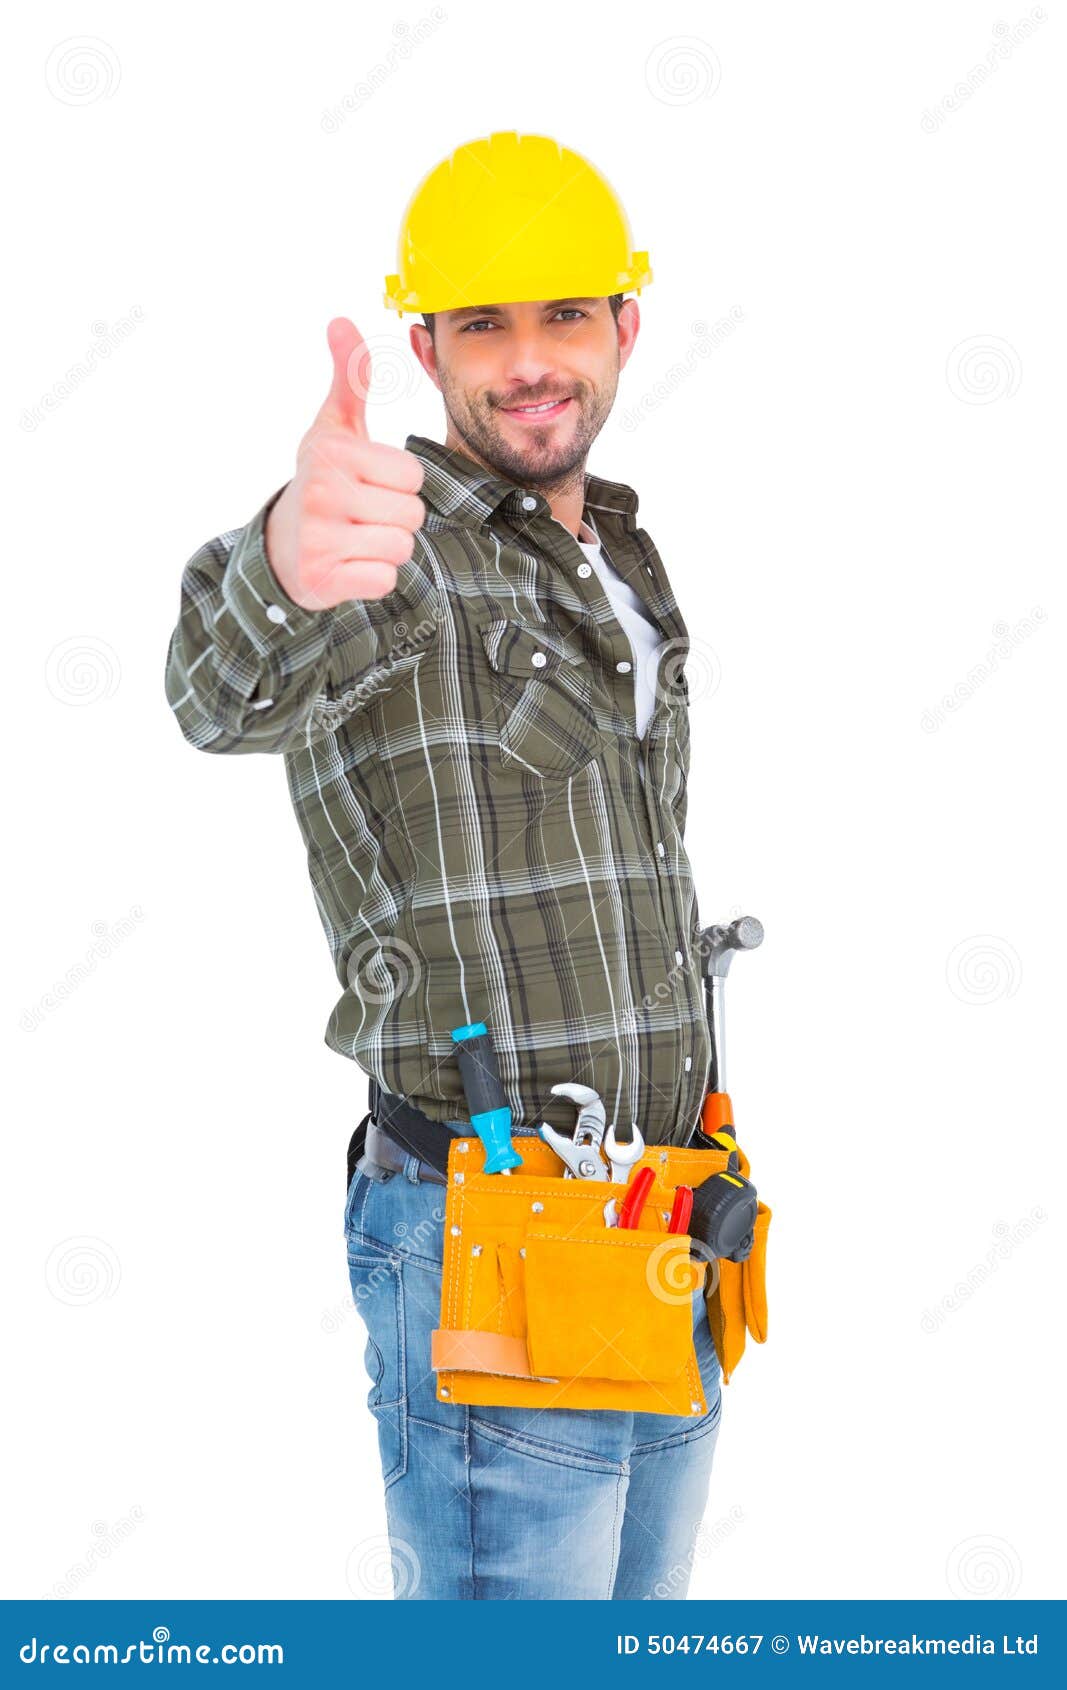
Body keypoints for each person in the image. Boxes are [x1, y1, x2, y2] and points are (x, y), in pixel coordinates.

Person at [165, 130, 722, 1600]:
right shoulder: (392, 548)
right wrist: (282, 557)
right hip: (488, 1231)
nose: (530, 359)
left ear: (625, 327)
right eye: (484, 321)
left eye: (565, 314)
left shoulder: (619, 552)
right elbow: (222, 687)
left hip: (663, 1222)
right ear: (423, 344)